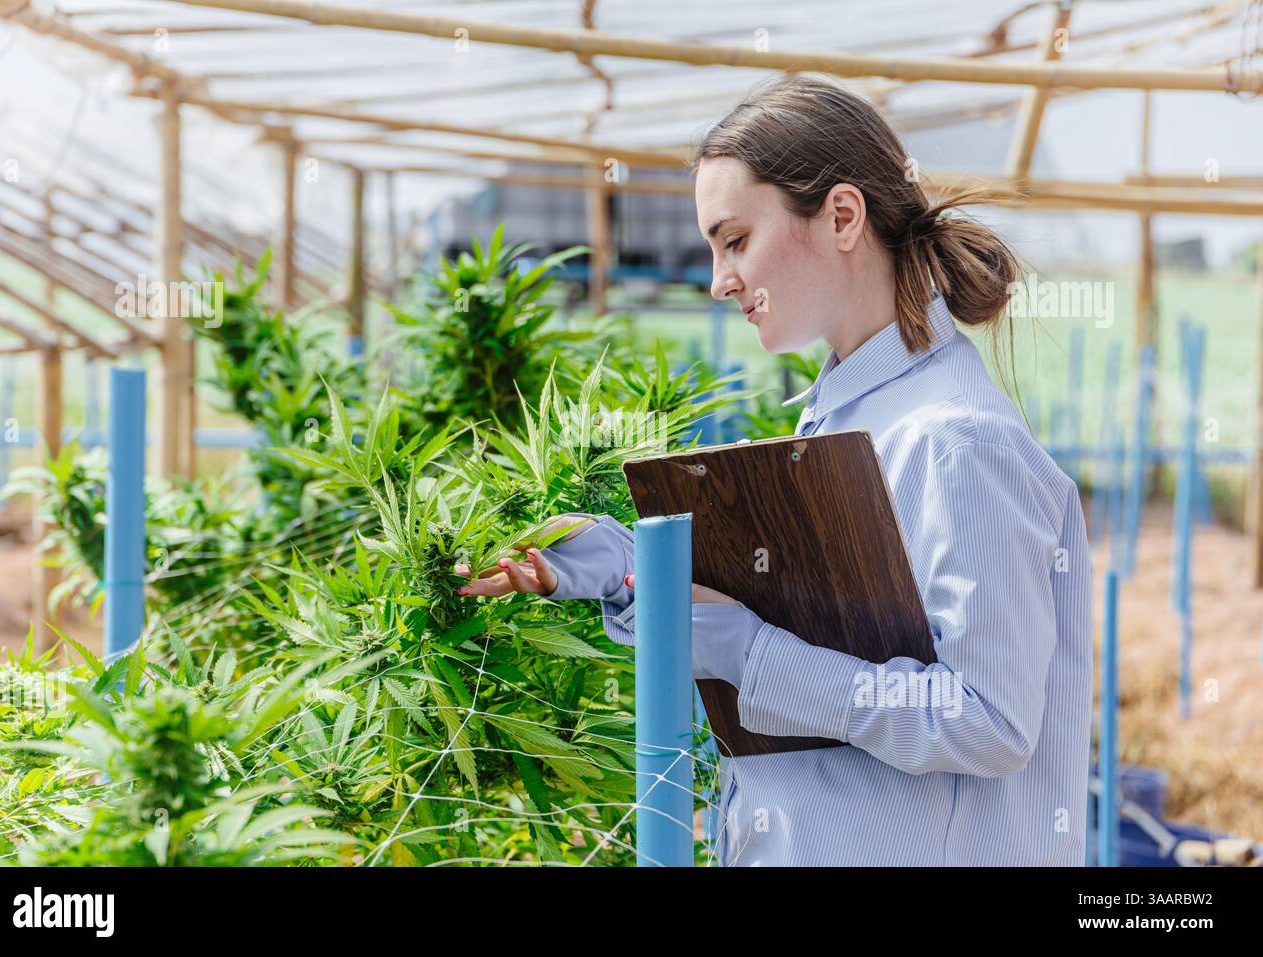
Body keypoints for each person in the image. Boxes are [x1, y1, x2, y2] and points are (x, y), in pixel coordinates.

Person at [454, 74, 1093, 866]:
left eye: (735, 240)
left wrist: (750, 656)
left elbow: (987, 721)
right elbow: (817, 619)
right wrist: (629, 568)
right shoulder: (842, 410)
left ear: (842, 216)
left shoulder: (957, 439)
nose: (720, 280)